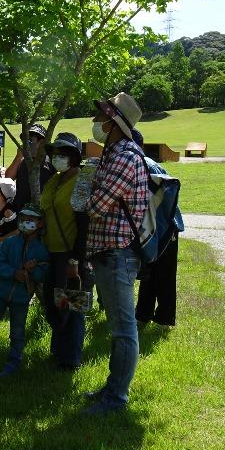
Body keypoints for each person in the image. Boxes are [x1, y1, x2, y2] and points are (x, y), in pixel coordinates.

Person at [82, 92, 149, 415]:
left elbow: (94, 206)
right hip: (109, 253)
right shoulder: (113, 155)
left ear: (114, 124)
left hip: (117, 253)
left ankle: (117, 398)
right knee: (117, 328)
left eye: (102, 117)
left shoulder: (124, 158)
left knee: (123, 330)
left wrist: (86, 187)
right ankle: (112, 387)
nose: (96, 122)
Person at [40, 132, 92, 371]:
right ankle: (58, 351)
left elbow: (84, 224)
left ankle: (70, 360)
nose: (57, 157)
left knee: (73, 305)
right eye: (55, 153)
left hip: (70, 254)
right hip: (50, 251)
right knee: (55, 303)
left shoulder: (82, 182)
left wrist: (75, 260)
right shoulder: (55, 179)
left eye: (63, 153)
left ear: (74, 156)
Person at [0, 203, 49, 376]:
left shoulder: (41, 249)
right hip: (0, 292)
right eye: (23, 218)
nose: (26, 222)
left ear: (40, 223)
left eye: (31, 219)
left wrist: (32, 271)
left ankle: (14, 360)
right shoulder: (10, 243)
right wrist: (14, 273)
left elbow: (43, 272)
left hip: (21, 297)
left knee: (17, 331)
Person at [130, 128, 184, 330]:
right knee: (149, 273)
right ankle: (143, 315)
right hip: (151, 228)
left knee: (165, 276)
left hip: (165, 227)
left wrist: (162, 229)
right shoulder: (136, 165)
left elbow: (166, 199)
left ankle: (164, 319)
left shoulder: (149, 166)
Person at [7, 124, 52, 212]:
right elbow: (9, 178)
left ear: (41, 142)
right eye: (25, 141)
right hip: (20, 210)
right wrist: (18, 156)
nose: (26, 144)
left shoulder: (50, 163)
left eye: (30, 140)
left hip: (40, 212)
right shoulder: (22, 160)